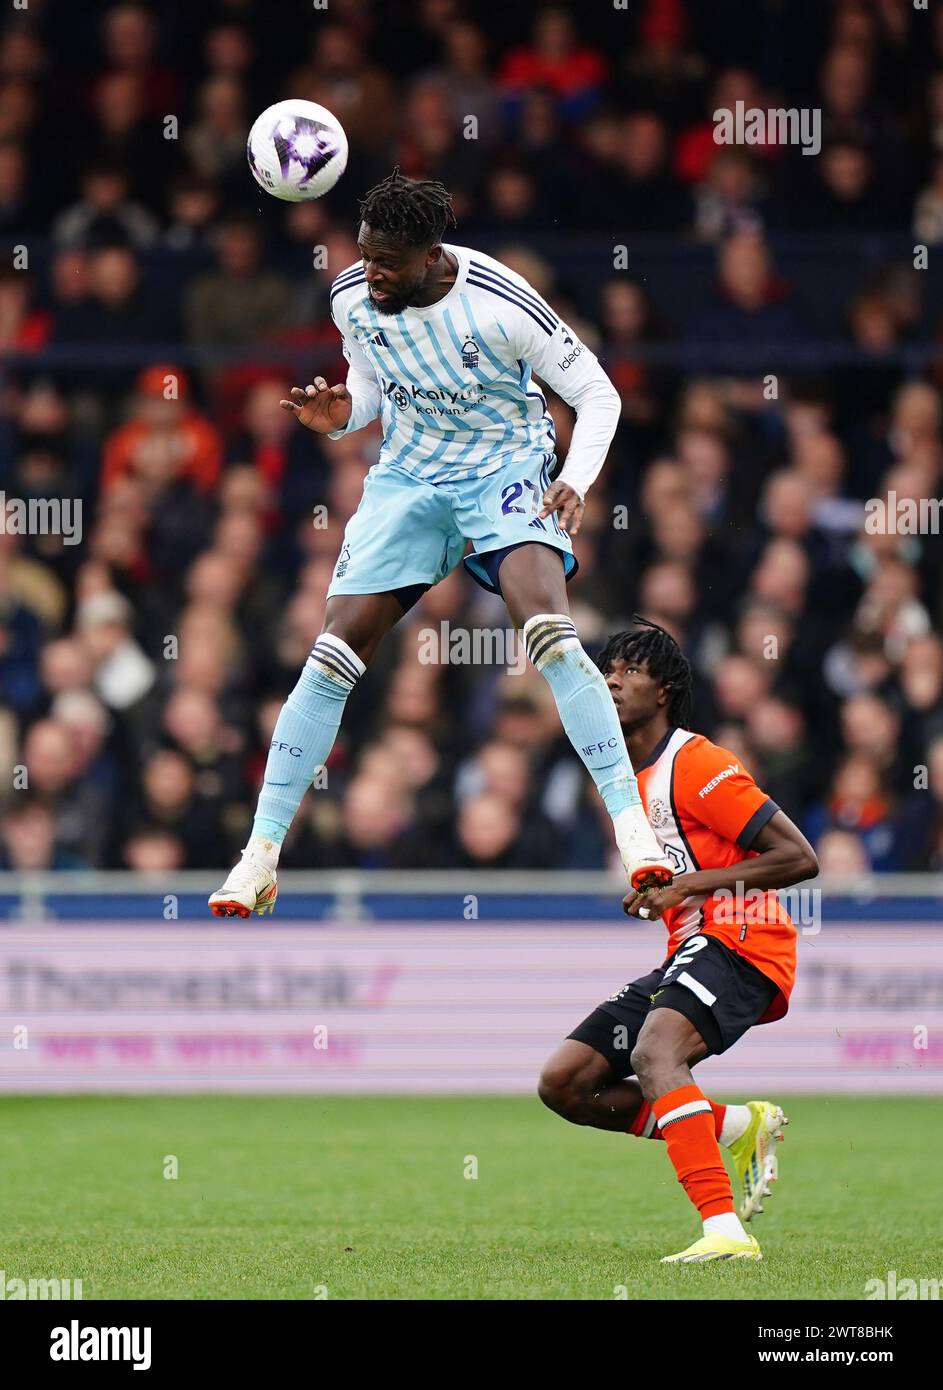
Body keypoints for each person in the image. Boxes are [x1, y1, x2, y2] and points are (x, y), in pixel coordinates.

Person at [209, 170, 672, 916]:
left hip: (504, 469)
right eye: (364, 254)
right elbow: (371, 381)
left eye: (387, 261)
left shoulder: (501, 303)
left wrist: (575, 481)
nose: (371, 273)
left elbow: (597, 394)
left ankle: (632, 827)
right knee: (332, 653)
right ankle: (261, 856)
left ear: (431, 255)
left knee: (550, 634)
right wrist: (341, 414)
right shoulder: (353, 295)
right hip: (410, 477)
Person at [538, 618, 819, 1264]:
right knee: (566, 1083)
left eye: (629, 670)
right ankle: (737, 1126)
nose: (611, 679)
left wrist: (685, 885)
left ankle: (724, 1229)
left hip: (744, 940)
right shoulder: (621, 780)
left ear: (663, 690)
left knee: (655, 1053)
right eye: (606, 669)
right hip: (690, 949)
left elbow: (797, 856)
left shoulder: (694, 763)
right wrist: (656, 893)